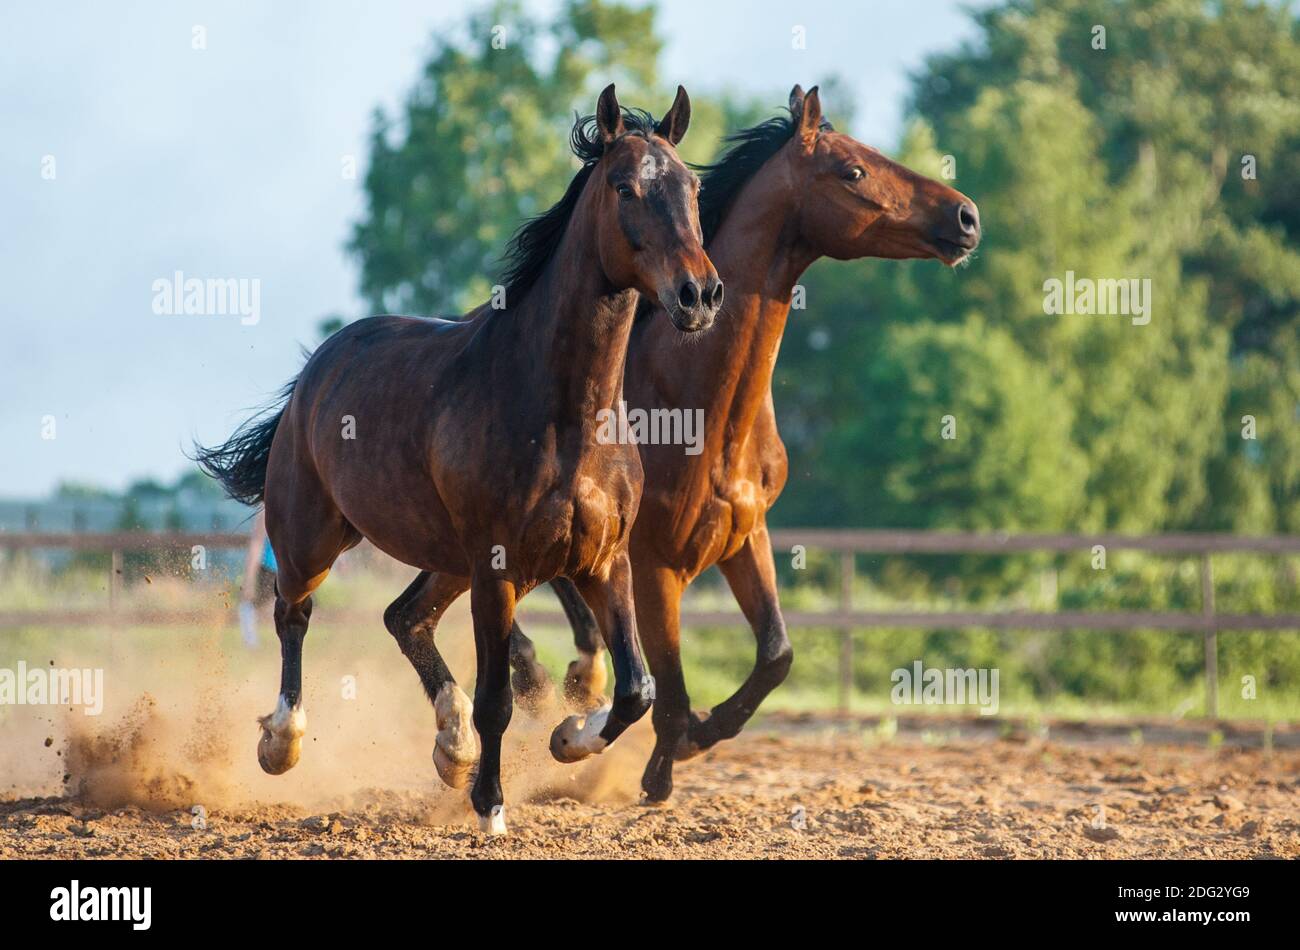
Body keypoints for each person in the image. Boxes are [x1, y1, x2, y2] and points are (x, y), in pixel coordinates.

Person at [238, 509, 277, 647]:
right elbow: (257, 545)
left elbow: (256, 545)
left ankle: (251, 641)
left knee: (250, 604)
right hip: (275, 568)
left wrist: (248, 577)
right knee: (256, 605)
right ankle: (252, 641)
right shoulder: (267, 512)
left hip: (274, 568)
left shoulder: (266, 511)